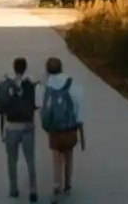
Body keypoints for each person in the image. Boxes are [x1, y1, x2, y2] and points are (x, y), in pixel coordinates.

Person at [41, 57, 85, 203]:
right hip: (70, 127)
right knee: (69, 155)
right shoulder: (72, 84)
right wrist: (79, 122)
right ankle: (68, 183)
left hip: (54, 129)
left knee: (56, 156)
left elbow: (44, 107)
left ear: (47, 70)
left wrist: (46, 125)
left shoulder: (47, 86)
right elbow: (79, 104)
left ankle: (56, 184)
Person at [0, 57, 38, 202]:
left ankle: (14, 189)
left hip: (11, 127)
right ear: (25, 68)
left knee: (12, 160)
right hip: (27, 126)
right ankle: (33, 190)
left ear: (14, 68)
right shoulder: (31, 84)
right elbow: (37, 104)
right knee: (30, 160)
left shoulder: (6, 84)